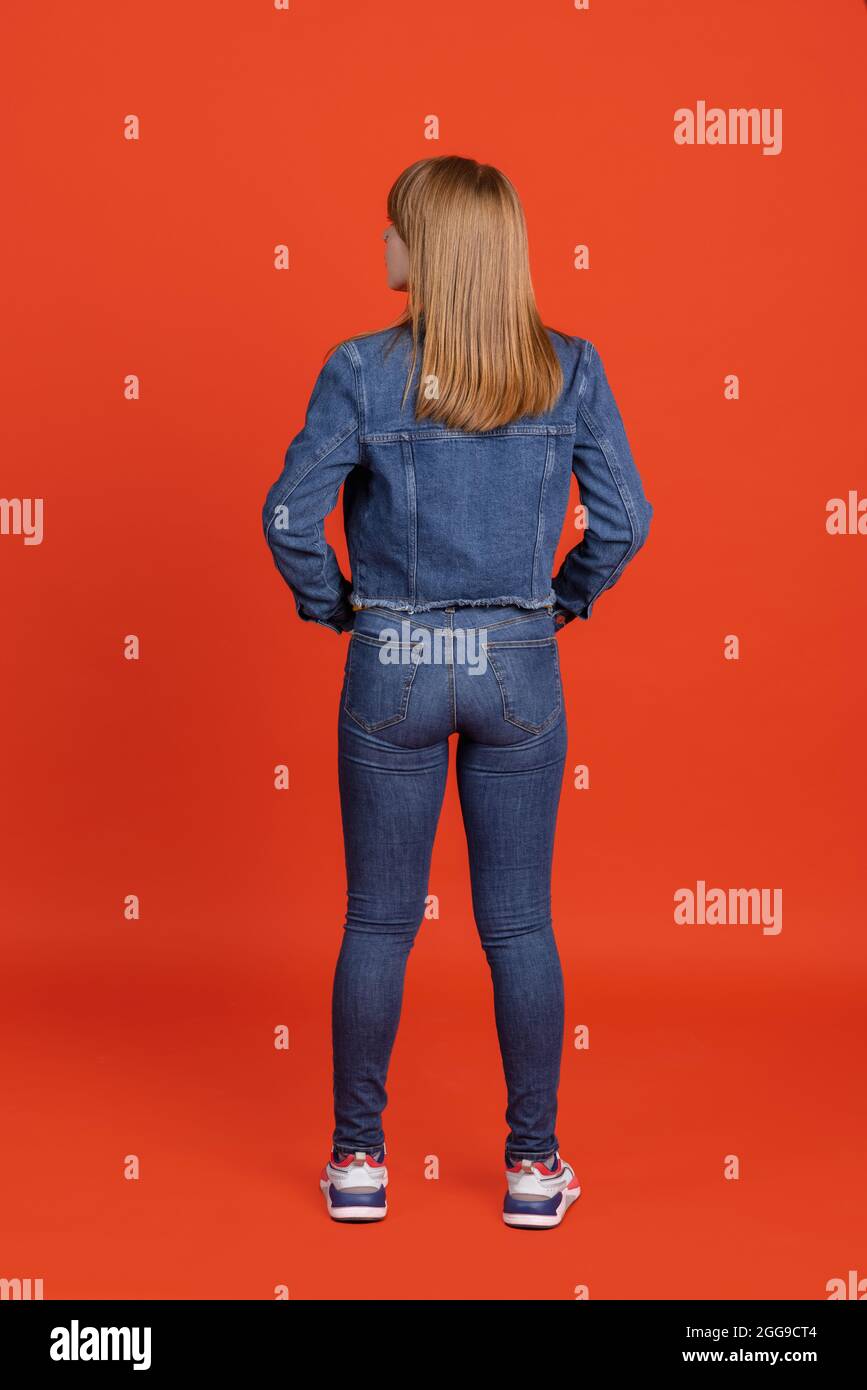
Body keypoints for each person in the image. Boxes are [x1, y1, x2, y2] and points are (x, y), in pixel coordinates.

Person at [262, 155, 653, 1229]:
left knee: (379, 924)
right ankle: (534, 1169)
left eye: (392, 227)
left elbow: (290, 516)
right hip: (519, 667)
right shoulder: (570, 369)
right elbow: (625, 521)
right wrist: (559, 604)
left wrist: (338, 608)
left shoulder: (357, 367)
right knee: (520, 924)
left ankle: (356, 1163)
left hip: (393, 662)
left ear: (424, 247)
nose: (380, 243)